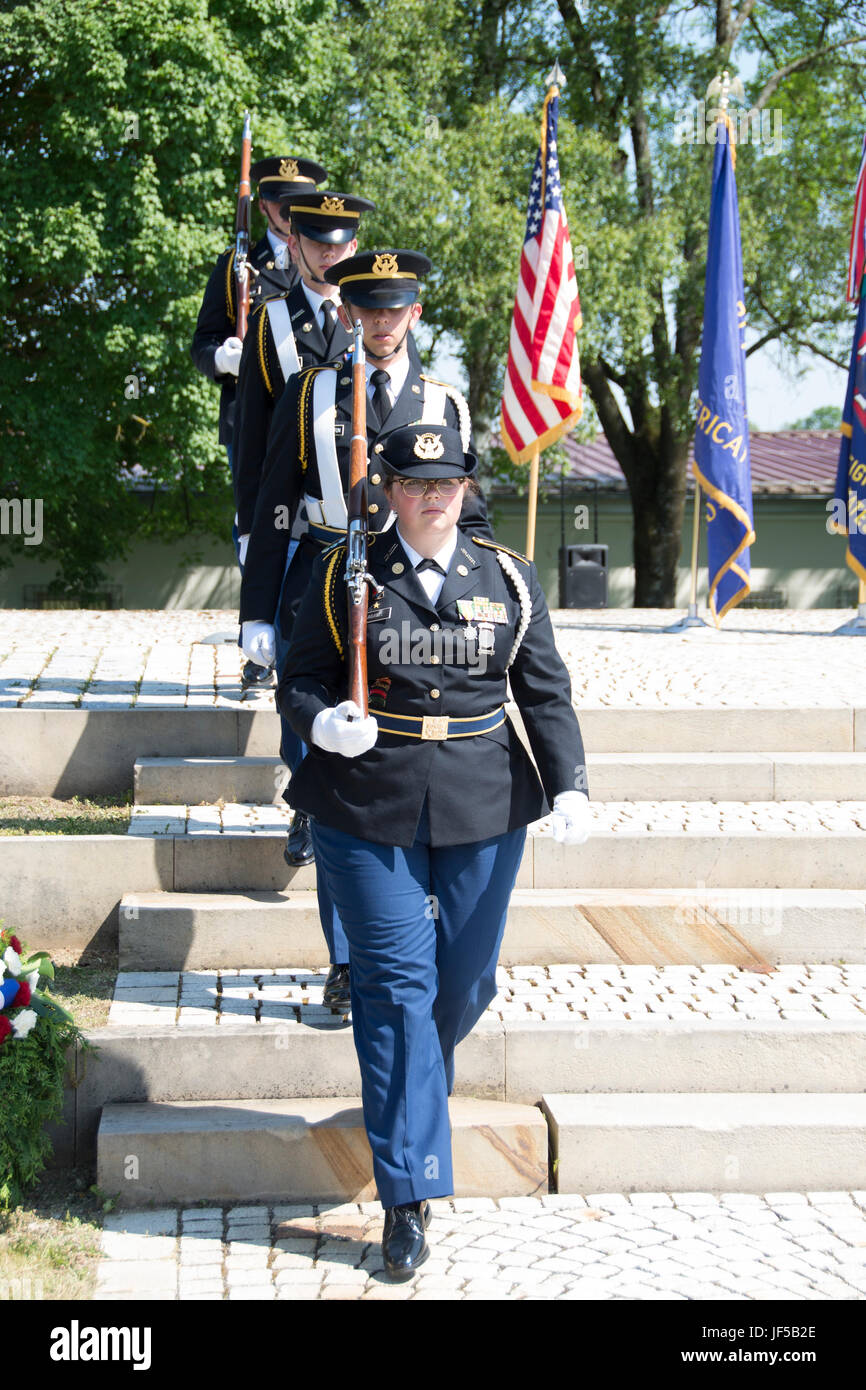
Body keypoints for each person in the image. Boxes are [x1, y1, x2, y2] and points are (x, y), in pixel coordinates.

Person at [277, 422, 591, 1278]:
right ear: (386, 487)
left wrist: (570, 782)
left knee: (463, 982)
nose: (432, 497)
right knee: (394, 990)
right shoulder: (349, 571)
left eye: (447, 482)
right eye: (415, 484)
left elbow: (544, 689)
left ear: (466, 487)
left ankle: (413, 1090)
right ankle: (407, 1195)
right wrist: (319, 724)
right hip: (364, 799)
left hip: (484, 797)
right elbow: (298, 675)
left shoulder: (510, 581)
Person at [239, 250, 493, 1012]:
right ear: (348, 312)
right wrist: (256, 610)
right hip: (321, 582)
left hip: (417, 598)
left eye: (396, 309)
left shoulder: (444, 401)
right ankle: (346, 961)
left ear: (415, 313)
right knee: (340, 774)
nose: (381, 322)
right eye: (368, 308)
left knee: (413, 760)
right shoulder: (310, 391)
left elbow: (470, 518)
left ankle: (423, 943)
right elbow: (271, 501)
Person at [190, 154, 327, 686]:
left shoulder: (327, 261)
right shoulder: (235, 266)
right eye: (279, 202)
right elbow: (201, 343)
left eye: (299, 203)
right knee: (262, 520)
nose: (288, 213)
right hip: (257, 417)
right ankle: (259, 641)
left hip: (321, 419)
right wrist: (226, 357)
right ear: (264, 205)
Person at [232, 191, 376, 564]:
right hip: (291, 522)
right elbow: (251, 434)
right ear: (294, 246)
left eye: (339, 244)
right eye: (316, 242)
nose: (329, 253)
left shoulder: (380, 323)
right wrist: (250, 529)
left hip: (367, 519)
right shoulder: (270, 321)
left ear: (354, 246)